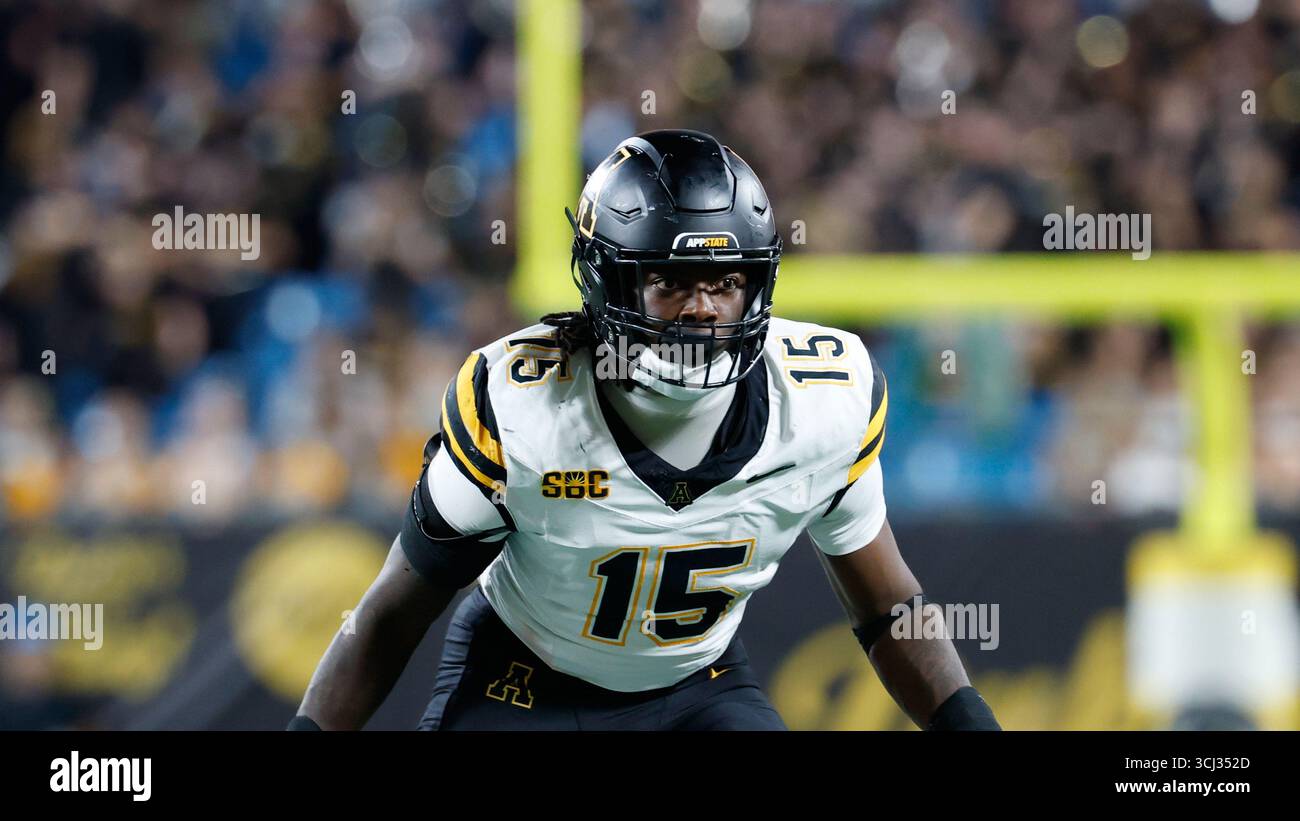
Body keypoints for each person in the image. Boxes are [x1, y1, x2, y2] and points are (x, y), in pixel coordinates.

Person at [290, 129, 999, 731]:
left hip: (701, 685)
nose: (702, 309)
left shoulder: (822, 403)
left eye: (725, 282)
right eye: (672, 279)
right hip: (525, 683)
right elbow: (389, 616)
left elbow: (888, 606)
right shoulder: (522, 408)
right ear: (609, 283)